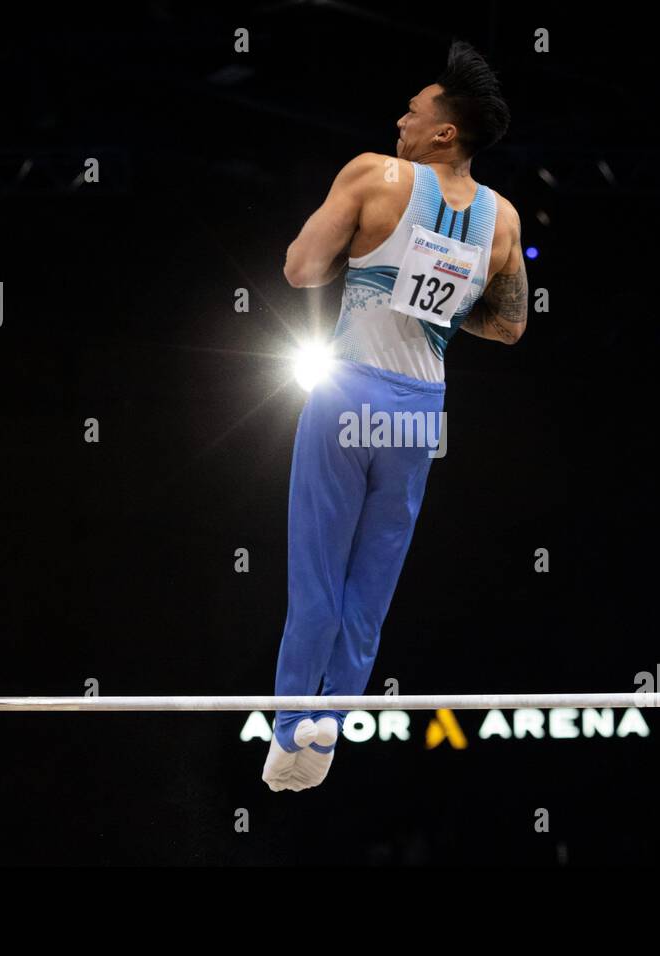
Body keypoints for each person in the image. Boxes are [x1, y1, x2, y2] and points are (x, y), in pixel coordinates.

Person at [264, 40, 528, 791]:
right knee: (372, 586)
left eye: (413, 113)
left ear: (444, 132)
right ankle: (330, 725)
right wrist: (430, 302)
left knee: (318, 570)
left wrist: (370, 260)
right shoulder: (502, 219)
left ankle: (289, 731)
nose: (400, 122)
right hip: (420, 414)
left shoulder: (372, 175)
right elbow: (509, 327)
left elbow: (298, 270)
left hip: (348, 391)